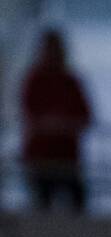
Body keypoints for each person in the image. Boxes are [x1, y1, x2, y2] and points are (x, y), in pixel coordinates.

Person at [19, 30, 92, 213]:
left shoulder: (70, 81)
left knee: (78, 204)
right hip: (41, 158)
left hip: (67, 159)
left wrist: (62, 124)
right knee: (42, 207)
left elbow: (85, 116)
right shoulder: (34, 80)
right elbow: (30, 113)